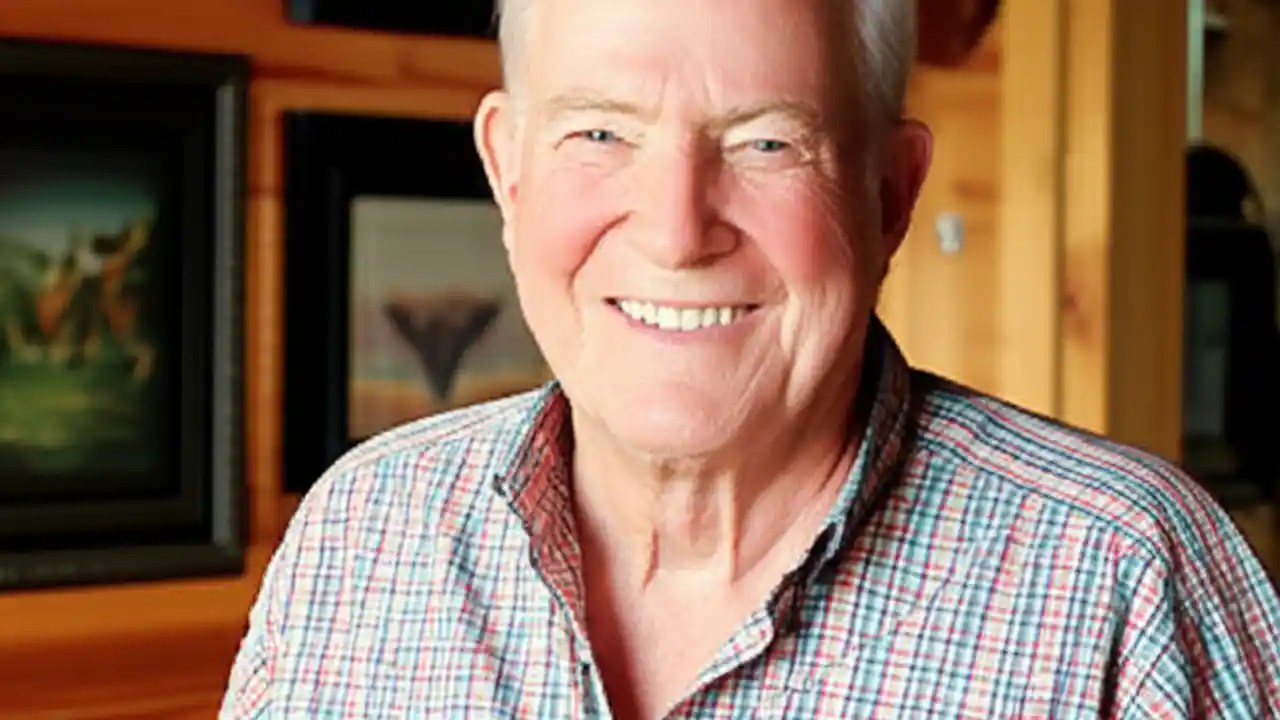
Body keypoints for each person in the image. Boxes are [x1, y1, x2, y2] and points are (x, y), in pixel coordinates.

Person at [222, 0, 1280, 716]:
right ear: (506, 168)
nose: (677, 229)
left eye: (765, 142)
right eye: (599, 136)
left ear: (888, 194)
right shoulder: (359, 538)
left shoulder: (1124, 579)